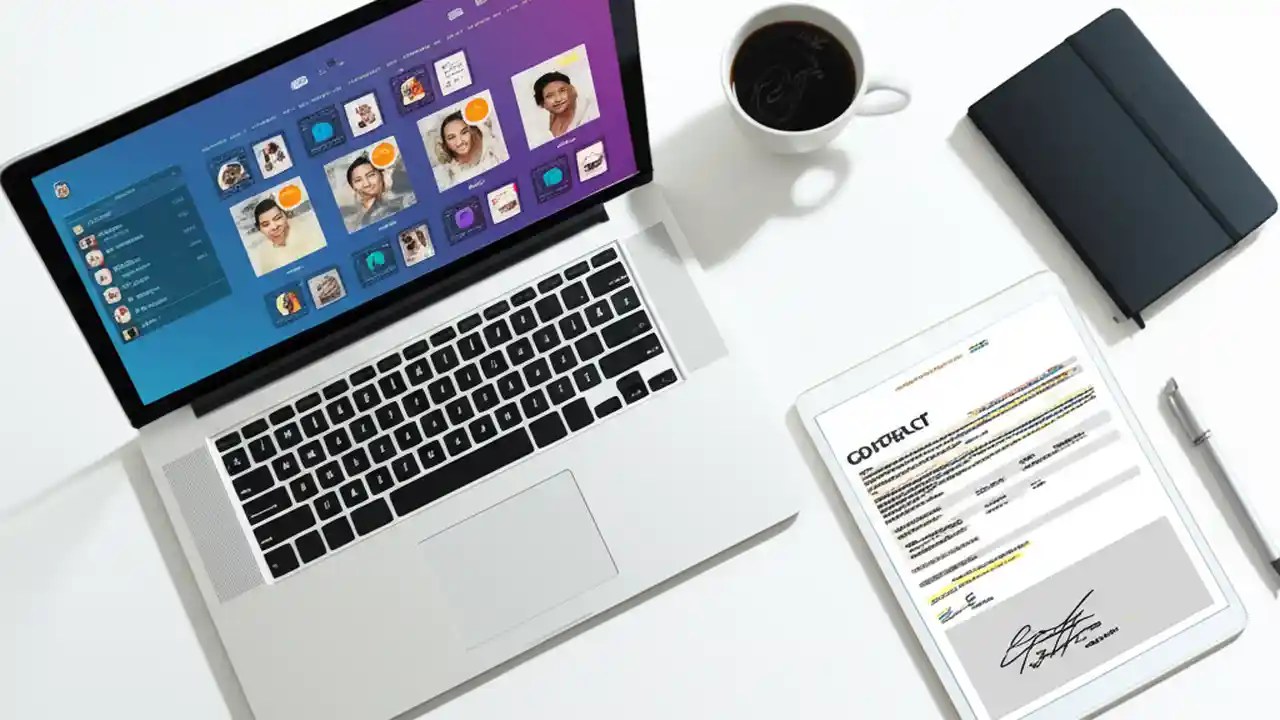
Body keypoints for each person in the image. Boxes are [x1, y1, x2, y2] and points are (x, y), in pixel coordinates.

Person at [247, 198, 325, 276]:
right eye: (266, 225)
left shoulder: (311, 229)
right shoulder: (263, 258)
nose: (274, 227)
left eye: (278, 218)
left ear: (285, 215)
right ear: (259, 229)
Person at [434, 112, 506, 189]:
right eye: (451, 137)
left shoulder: (494, 152)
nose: (459, 142)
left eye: (464, 132)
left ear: (472, 132)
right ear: (445, 143)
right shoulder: (445, 174)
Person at [529, 70, 599, 146]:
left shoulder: (592, 110)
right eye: (549, 96)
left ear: (573, 90)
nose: (558, 99)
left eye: (562, 91)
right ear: (543, 103)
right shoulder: (542, 128)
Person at [345, 156, 413, 229]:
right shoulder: (355, 221)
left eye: (371, 175)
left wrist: (395, 176)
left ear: (381, 174)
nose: (367, 184)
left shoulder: (405, 193)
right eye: (358, 180)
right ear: (353, 187)